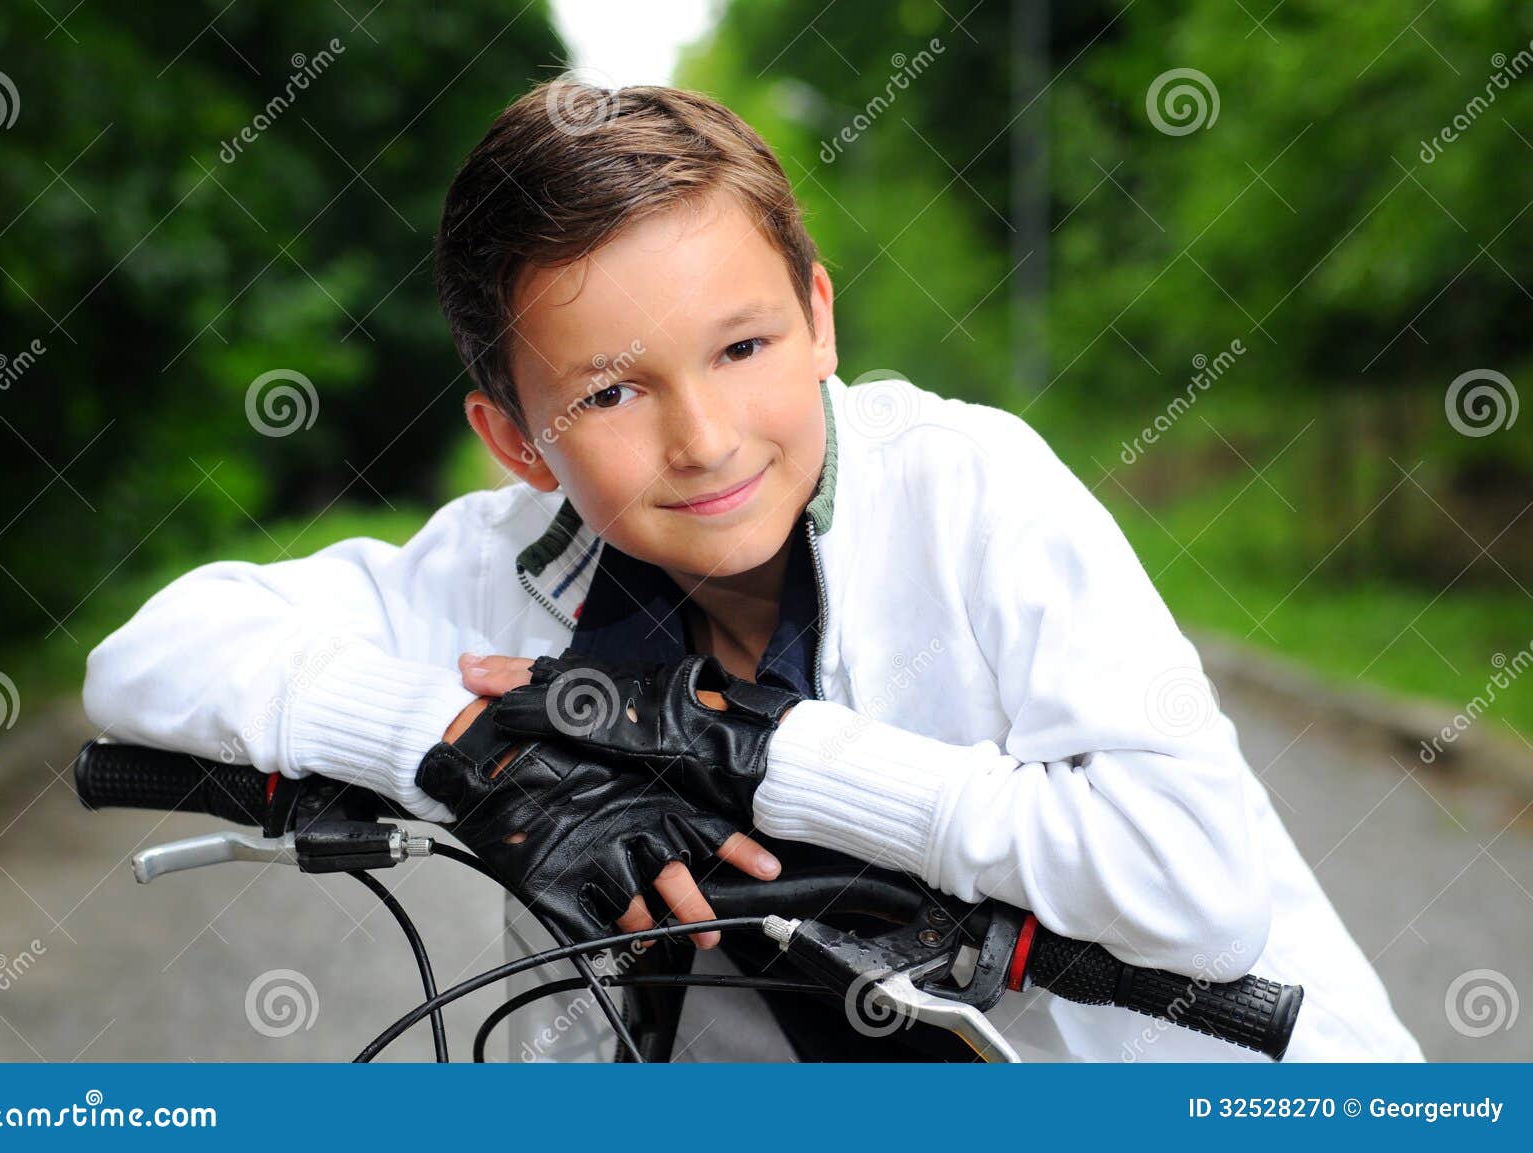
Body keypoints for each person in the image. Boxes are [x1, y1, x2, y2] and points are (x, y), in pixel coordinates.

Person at [82, 80, 1423, 1062]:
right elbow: (146, 656)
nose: (706, 437)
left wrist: (773, 757)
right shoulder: (504, 570)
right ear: (515, 440)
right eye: (612, 393)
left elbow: (1196, 880)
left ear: (820, 318)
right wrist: (455, 743)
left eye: (744, 348)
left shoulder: (970, 487)